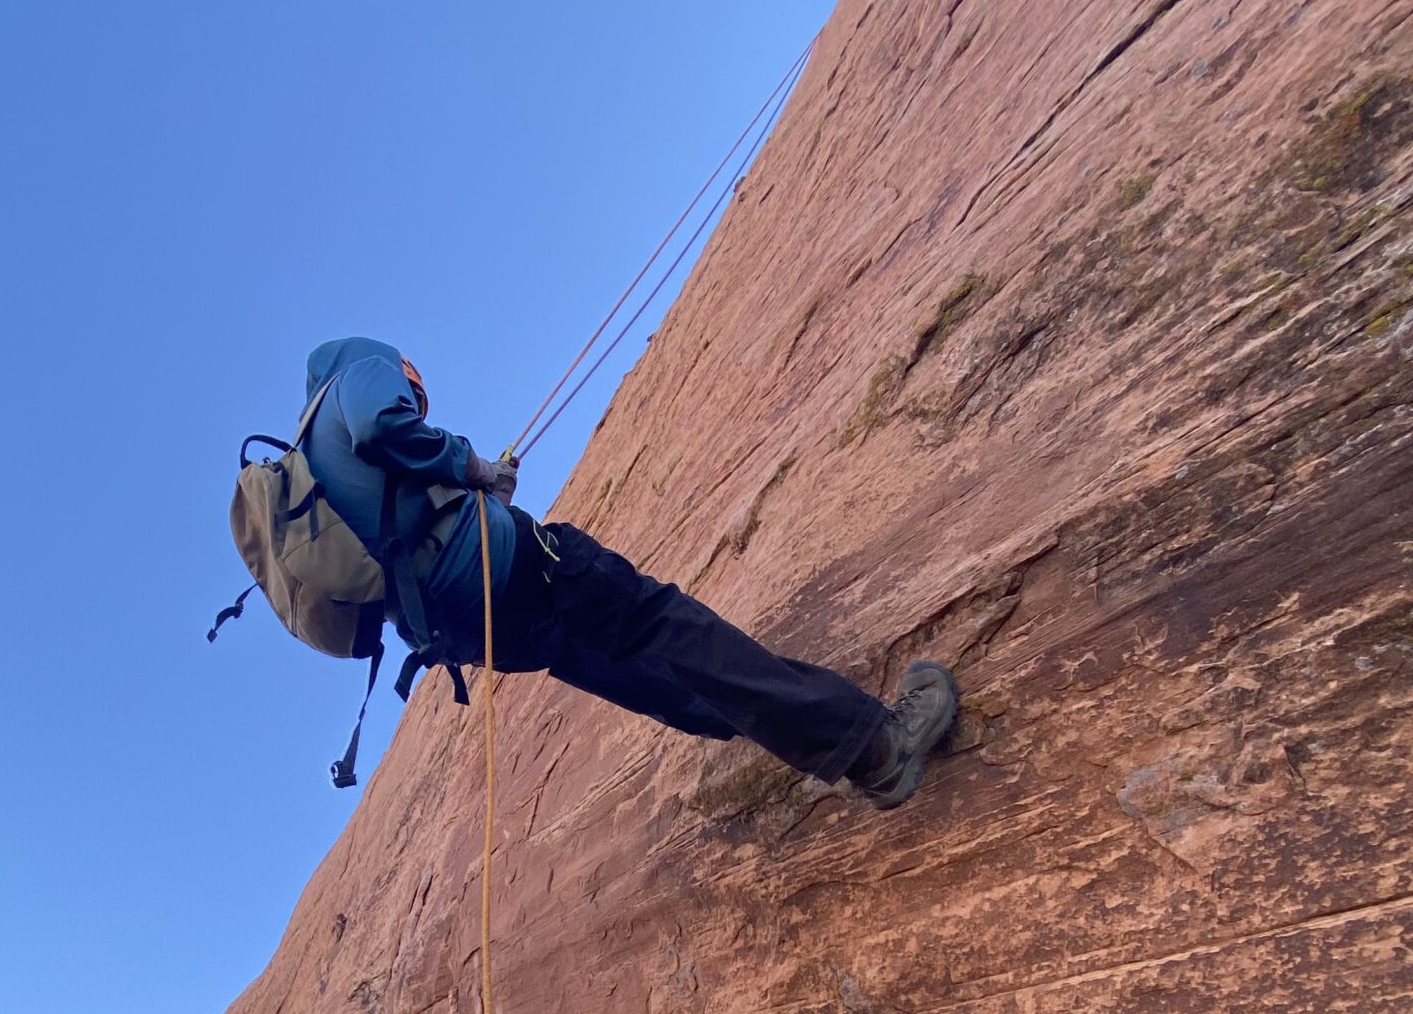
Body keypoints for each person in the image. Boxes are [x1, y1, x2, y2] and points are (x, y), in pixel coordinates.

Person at [299, 334, 960, 808]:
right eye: (418, 386)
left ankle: (809, 740)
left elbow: (397, 513)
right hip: (504, 574)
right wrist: (471, 466)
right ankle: (876, 748)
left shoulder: (314, 470)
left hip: (465, 632)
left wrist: (481, 504)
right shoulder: (364, 364)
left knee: (650, 678)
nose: (419, 396)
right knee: (659, 623)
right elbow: (384, 426)